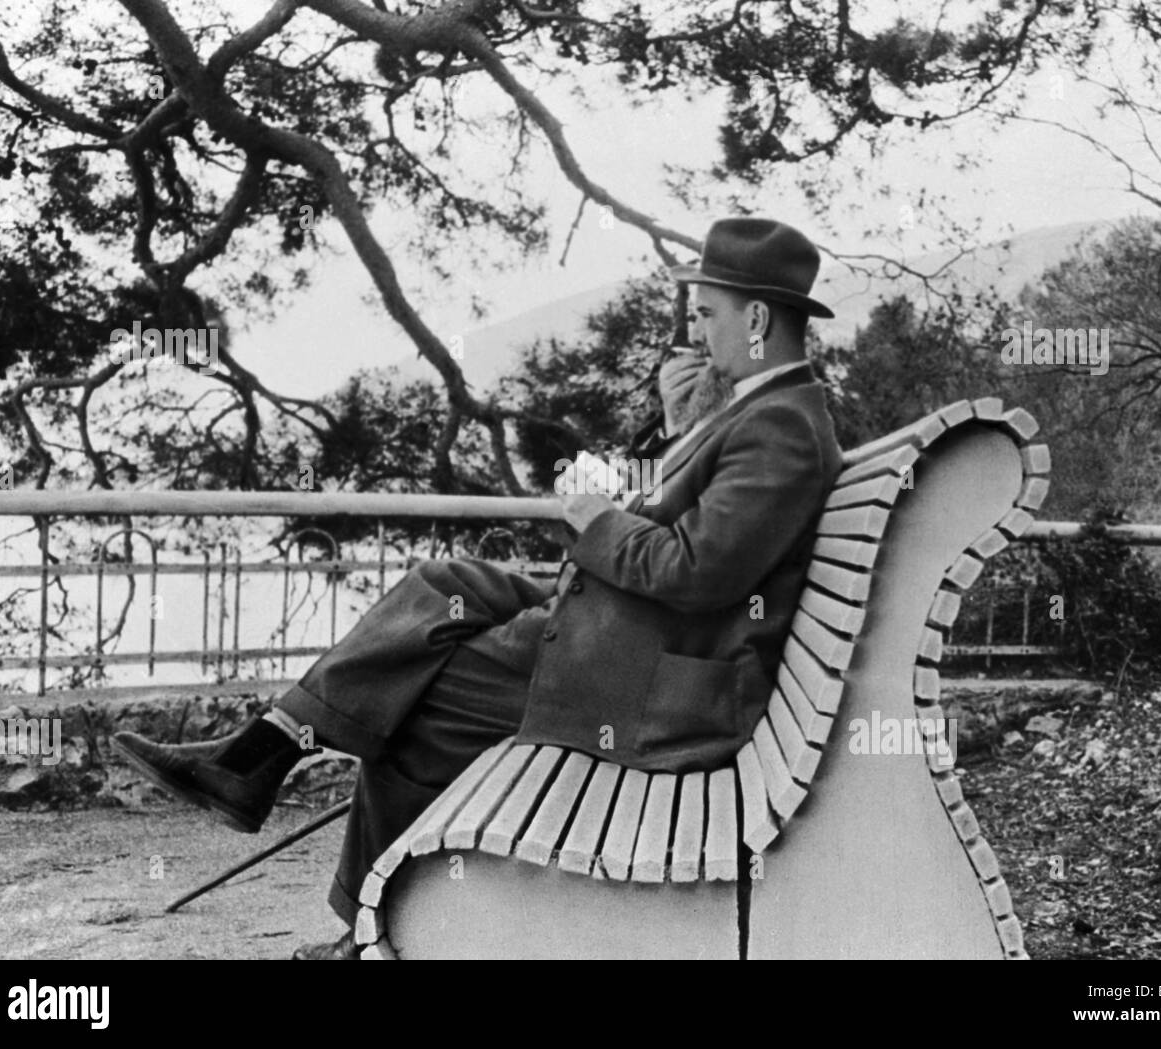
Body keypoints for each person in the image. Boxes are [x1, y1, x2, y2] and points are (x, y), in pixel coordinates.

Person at [112, 217, 845, 958]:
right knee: (443, 582)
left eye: (706, 312)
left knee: (411, 707)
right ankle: (262, 755)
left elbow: (699, 570)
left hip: (656, 689)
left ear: (755, 318)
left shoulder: (780, 426)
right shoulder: (758, 410)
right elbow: (687, 529)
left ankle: (354, 915)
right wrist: (678, 424)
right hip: (634, 641)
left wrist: (597, 523)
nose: (693, 332)